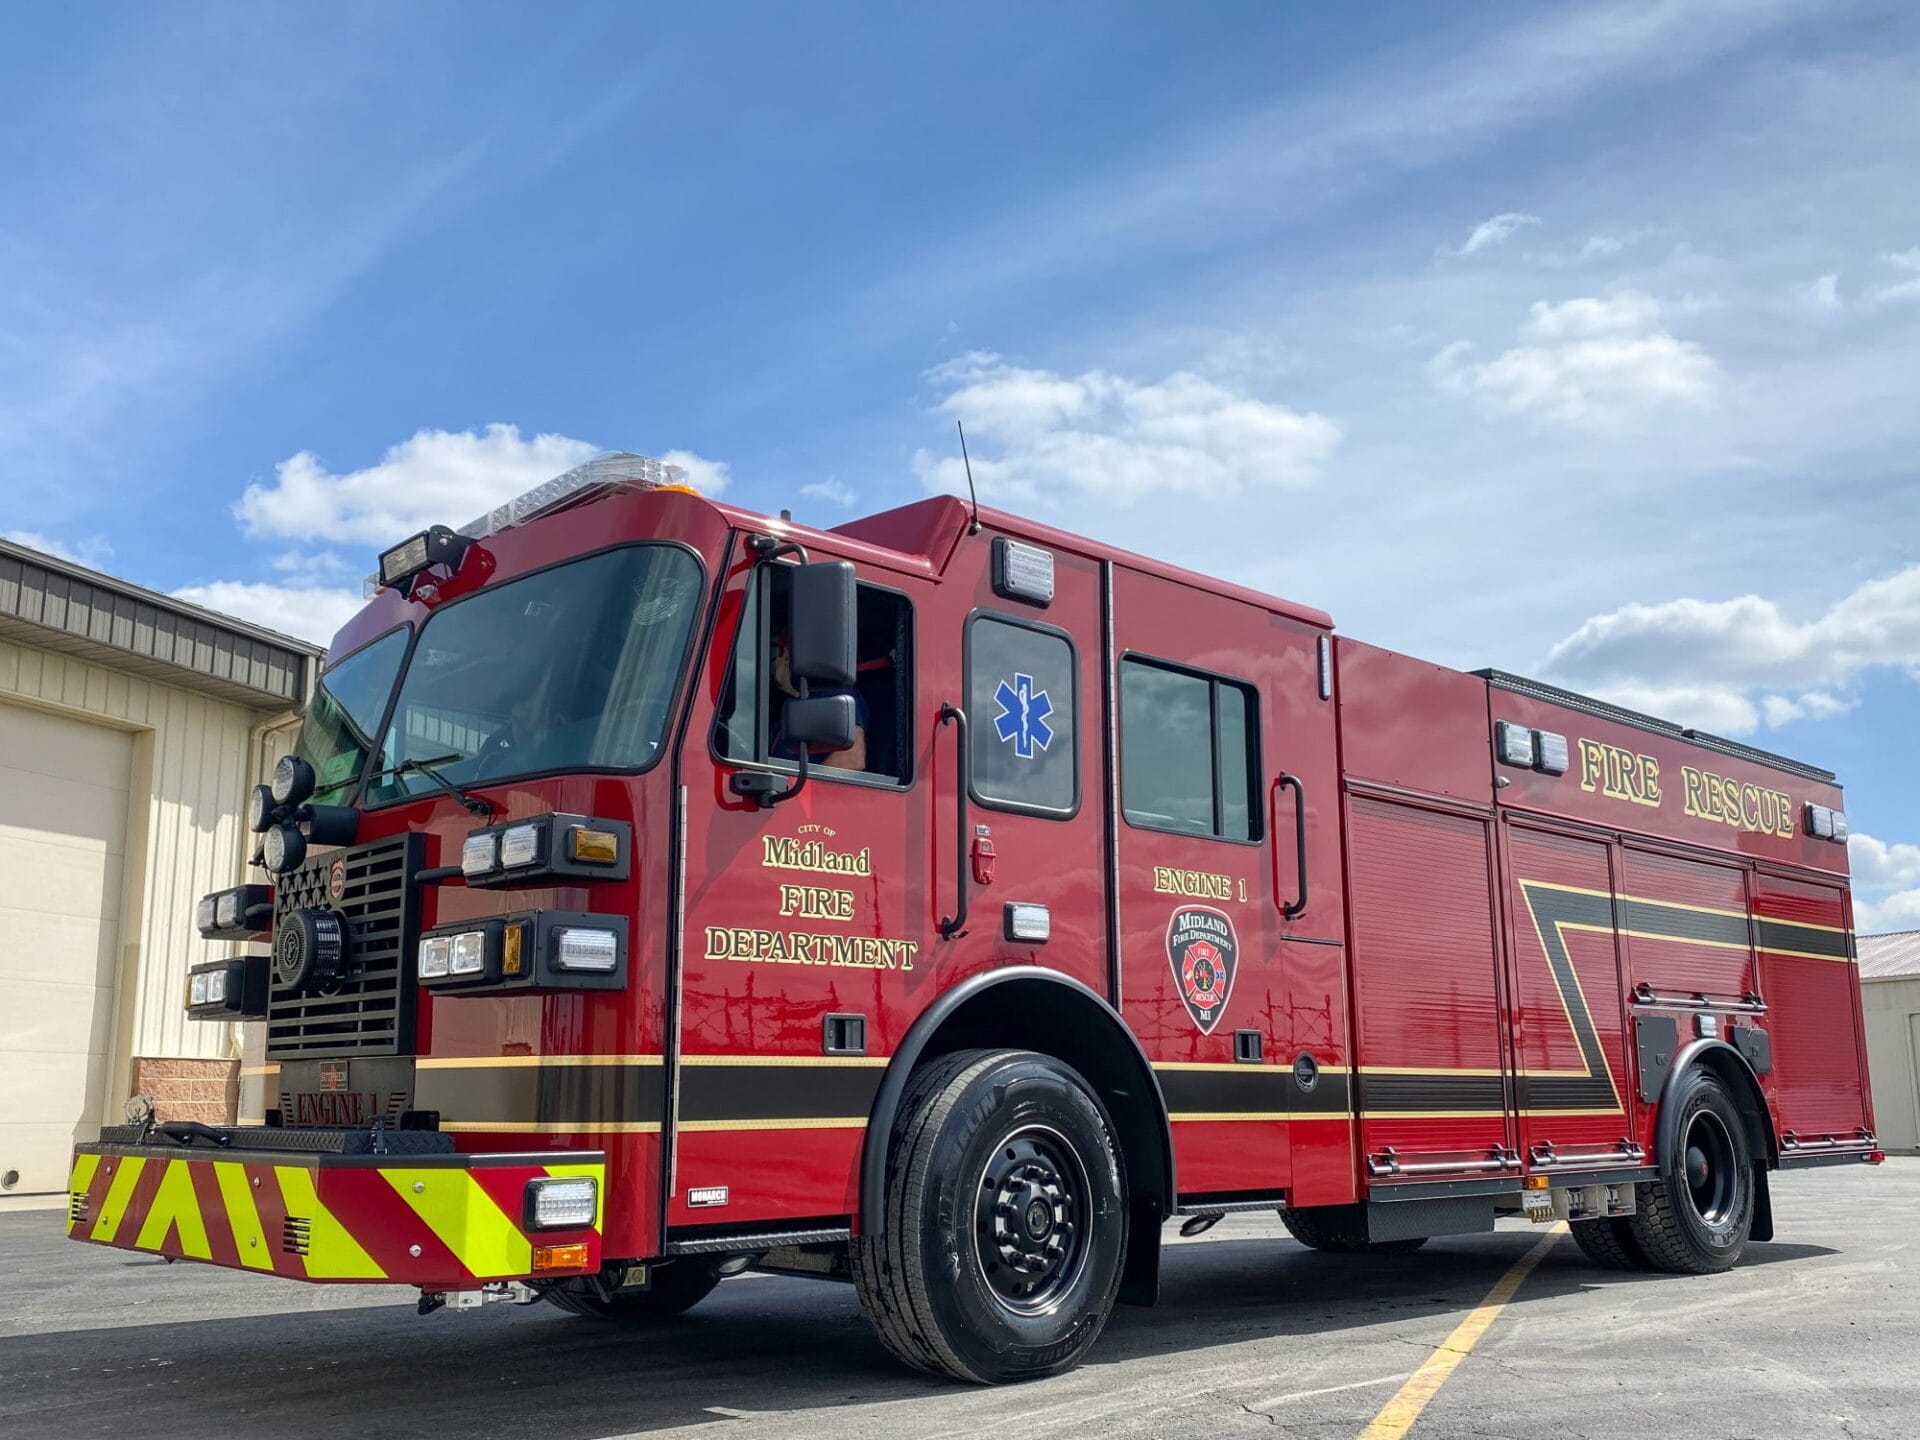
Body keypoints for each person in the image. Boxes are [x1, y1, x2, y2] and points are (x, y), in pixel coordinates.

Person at [770, 633, 867, 771]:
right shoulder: (785, 714)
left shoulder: (834, 693)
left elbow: (851, 758)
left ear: (786, 656)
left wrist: (803, 791)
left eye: (774, 657)